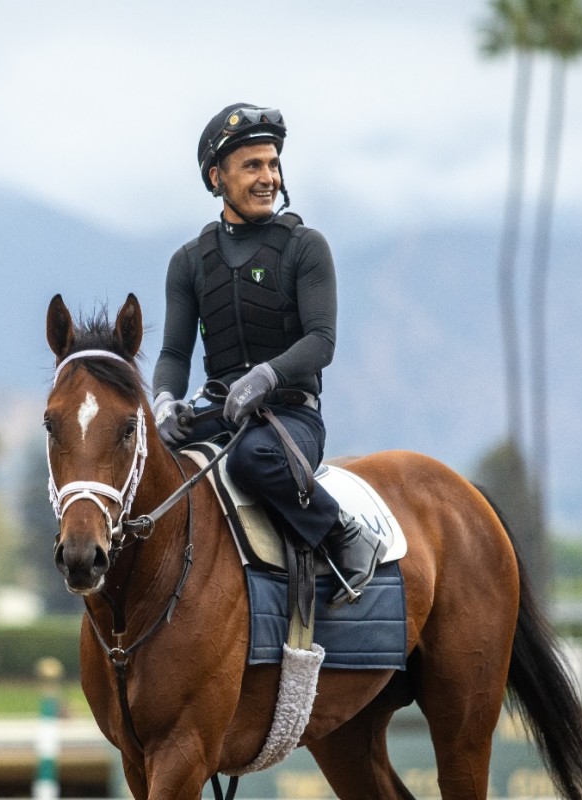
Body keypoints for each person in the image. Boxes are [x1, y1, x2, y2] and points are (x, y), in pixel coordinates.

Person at [151, 102, 383, 608]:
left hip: (290, 418)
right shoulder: (188, 262)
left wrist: (265, 377)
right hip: (220, 413)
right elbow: (173, 352)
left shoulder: (305, 247)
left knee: (252, 460)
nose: (268, 178)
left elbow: (321, 342)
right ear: (217, 177)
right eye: (252, 166)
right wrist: (165, 402)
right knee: (150, 464)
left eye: (273, 164)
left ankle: (345, 533)